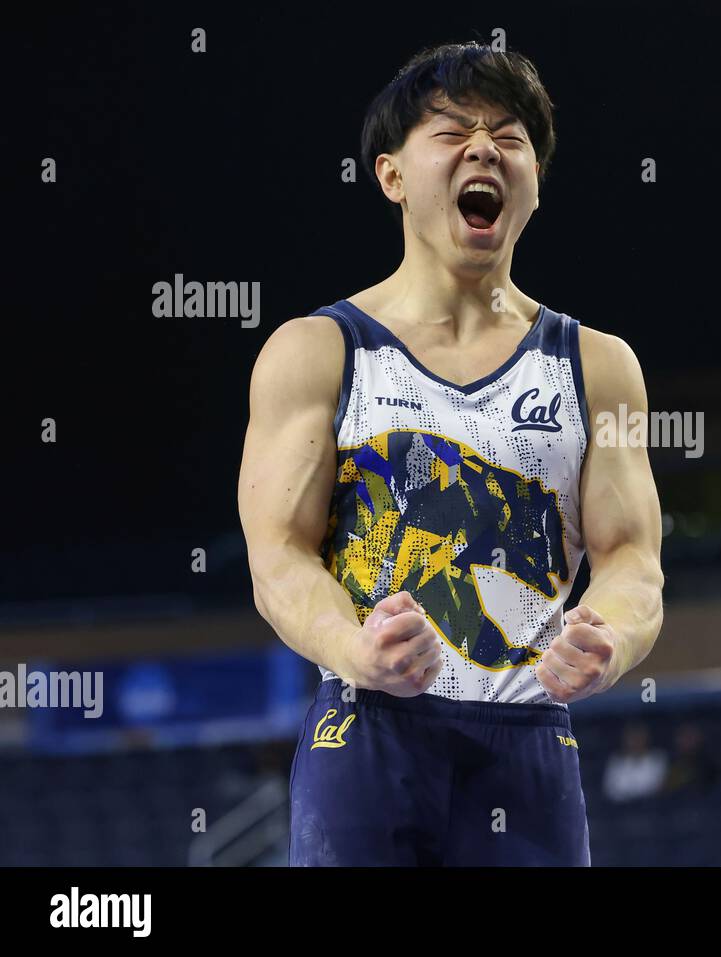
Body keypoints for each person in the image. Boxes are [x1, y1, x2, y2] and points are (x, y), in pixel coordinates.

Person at [238, 42, 664, 865]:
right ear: (392, 175)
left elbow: (633, 559)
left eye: (508, 137)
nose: (484, 149)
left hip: (531, 742)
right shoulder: (319, 352)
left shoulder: (598, 367)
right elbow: (277, 555)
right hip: (367, 733)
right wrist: (353, 648)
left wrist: (610, 635)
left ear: (534, 181)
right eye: (454, 130)